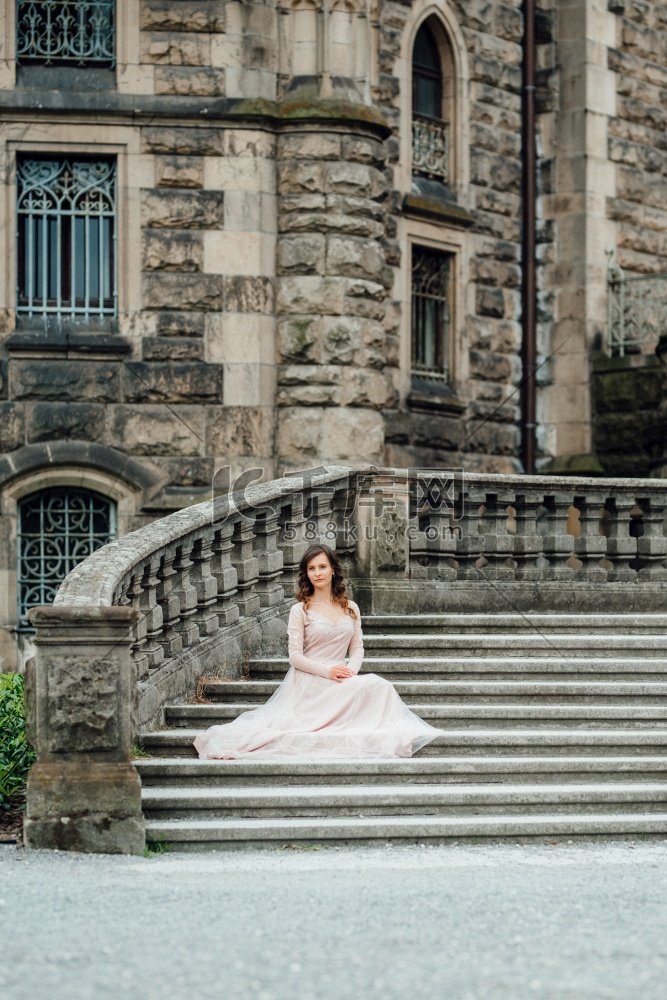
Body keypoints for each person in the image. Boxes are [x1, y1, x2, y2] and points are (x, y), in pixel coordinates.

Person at [193, 543, 444, 759]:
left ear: (333, 569)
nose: (317, 573)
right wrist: (327, 671)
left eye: (322, 567)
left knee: (380, 686)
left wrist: (349, 672)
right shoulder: (300, 610)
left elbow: (357, 648)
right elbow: (295, 657)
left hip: (342, 677)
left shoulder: (351, 608)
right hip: (311, 681)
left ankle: (379, 732)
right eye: (311, 568)